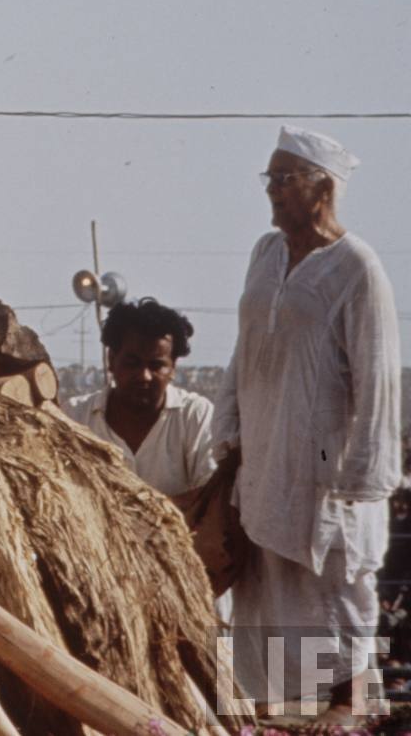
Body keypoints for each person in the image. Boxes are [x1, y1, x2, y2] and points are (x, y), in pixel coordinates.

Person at [215, 126, 401, 724]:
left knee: (331, 588)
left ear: (323, 188)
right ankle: (267, 705)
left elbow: (377, 379)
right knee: (266, 587)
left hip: (326, 467)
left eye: (284, 180)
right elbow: (244, 348)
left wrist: (360, 480)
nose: (272, 191)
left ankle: (346, 704)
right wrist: (230, 431)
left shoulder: (357, 267)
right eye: (268, 179)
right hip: (265, 451)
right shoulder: (264, 253)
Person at [66, 299, 216, 496]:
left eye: (156, 366)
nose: (144, 376)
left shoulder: (193, 415)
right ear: (111, 361)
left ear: (173, 368)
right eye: (132, 363)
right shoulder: (75, 416)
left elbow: (210, 495)